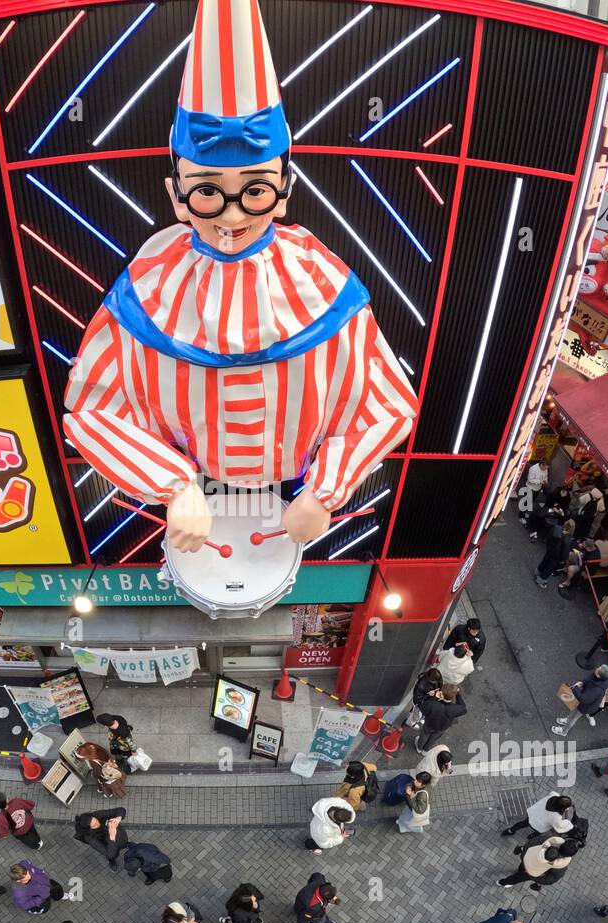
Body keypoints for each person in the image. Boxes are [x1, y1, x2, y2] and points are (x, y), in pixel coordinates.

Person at [61, 0, 418, 555]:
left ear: (284, 189)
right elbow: (90, 411)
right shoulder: (149, 292)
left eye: (254, 189)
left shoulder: (322, 285)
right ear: (177, 197)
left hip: (290, 499)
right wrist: (173, 483)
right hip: (201, 506)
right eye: (208, 191)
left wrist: (326, 491)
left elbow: (389, 402)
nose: (232, 216)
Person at [497, 835, 580, 891]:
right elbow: (549, 880)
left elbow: (532, 843)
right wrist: (533, 877)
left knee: (520, 869)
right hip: (532, 872)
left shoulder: (549, 841)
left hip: (528, 860)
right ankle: (502, 882)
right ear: (569, 855)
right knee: (517, 878)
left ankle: (504, 881)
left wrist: (524, 857)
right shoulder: (561, 866)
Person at [553, 665, 608, 734]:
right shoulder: (604, 677)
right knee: (573, 711)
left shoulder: (596, 690)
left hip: (586, 707)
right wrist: (583, 682)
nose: (597, 668)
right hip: (587, 700)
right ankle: (567, 720)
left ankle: (564, 731)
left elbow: (583, 699)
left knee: (573, 718)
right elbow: (590, 678)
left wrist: (575, 688)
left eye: (598, 669)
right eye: (599, 667)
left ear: (598, 675)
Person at [414, 684, 466, 753]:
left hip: (429, 724)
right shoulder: (456, 708)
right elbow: (463, 708)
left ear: (441, 694)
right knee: (434, 737)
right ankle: (426, 749)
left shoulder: (433, 704)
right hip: (442, 727)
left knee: (425, 734)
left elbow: (423, 708)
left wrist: (433, 697)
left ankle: (419, 747)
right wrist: (458, 694)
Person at [10, 860, 74, 915]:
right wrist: (39, 900)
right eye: (25, 877)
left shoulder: (25, 864)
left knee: (57, 890)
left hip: (46, 883)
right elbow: (26, 904)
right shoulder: (18, 893)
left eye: (28, 873)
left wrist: (41, 872)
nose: (29, 875)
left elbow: (34, 868)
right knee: (46, 907)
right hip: (42, 899)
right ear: (18, 880)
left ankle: (61, 896)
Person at [500, 792, 575, 839]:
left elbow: (553, 793)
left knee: (522, 824)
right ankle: (530, 837)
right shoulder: (557, 818)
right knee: (538, 832)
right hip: (539, 825)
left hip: (532, 816)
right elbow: (563, 826)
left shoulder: (553, 796)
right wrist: (569, 821)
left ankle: (510, 830)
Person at [534, 518, 575, 587]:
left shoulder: (557, 528)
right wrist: (563, 560)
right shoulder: (568, 539)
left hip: (550, 550)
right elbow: (565, 553)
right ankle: (540, 580)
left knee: (545, 561)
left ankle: (538, 572)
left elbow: (549, 537)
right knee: (549, 568)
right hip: (556, 557)